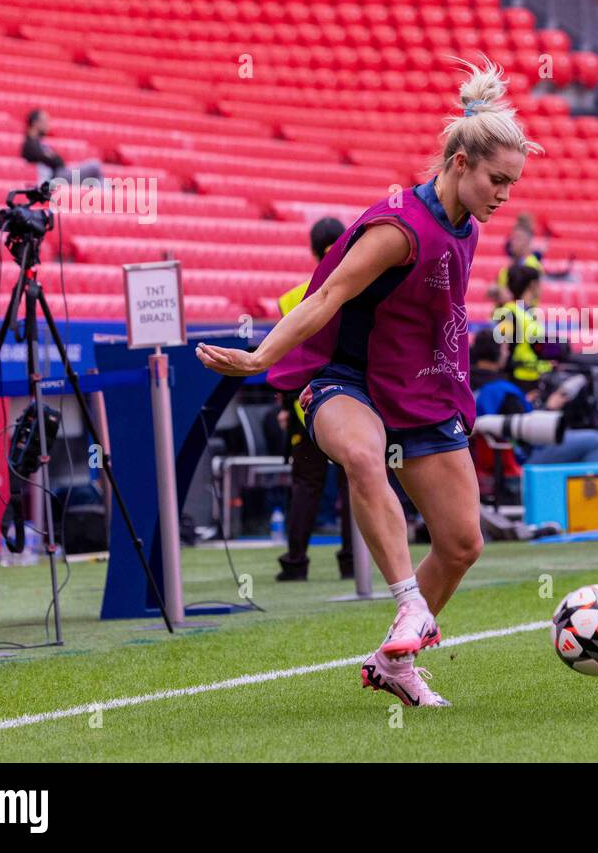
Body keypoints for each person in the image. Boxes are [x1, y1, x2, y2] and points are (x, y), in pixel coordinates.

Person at [196, 55, 543, 707]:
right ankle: (408, 604)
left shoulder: (466, 223)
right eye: (498, 179)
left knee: (463, 542)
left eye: (513, 184)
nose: (504, 195)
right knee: (360, 453)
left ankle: (391, 660)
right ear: (460, 163)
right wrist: (257, 358)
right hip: (340, 374)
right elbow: (325, 298)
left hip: (416, 383)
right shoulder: (397, 229)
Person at [274, 217, 346, 582]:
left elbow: (286, 354)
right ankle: (353, 562)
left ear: (313, 248)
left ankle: (296, 562)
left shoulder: (291, 297)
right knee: (357, 481)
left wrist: (284, 406)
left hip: (308, 404)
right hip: (353, 399)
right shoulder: (358, 283)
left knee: (306, 484)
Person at [470, 328, 598, 466]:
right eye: (504, 348)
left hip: (488, 460)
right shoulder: (503, 390)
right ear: (495, 352)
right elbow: (532, 433)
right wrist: (549, 407)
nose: (507, 353)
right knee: (595, 441)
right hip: (522, 459)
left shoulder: (469, 383)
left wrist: (524, 402)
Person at [492, 263, 567, 393]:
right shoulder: (508, 312)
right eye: (540, 283)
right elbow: (502, 349)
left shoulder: (529, 311)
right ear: (533, 285)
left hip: (536, 377)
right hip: (519, 380)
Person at [22, 109, 104, 185]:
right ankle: (107, 196)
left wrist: (52, 157)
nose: (48, 124)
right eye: (46, 121)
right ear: (35, 123)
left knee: (97, 179)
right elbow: (53, 161)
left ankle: (106, 197)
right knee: (94, 165)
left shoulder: (39, 143)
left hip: (59, 173)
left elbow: (56, 160)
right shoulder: (30, 144)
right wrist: (52, 157)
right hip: (55, 177)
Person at [486, 213, 543, 304]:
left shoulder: (532, 266)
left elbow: (527, 300)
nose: (512, 242)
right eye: (512, 238)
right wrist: (498, 289)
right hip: (503, 316)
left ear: (527, 241)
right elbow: (490, 291)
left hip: (517, 317)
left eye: (517, 238)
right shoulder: (509, 266)